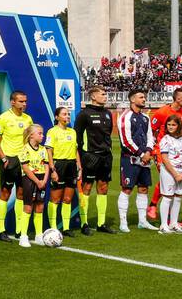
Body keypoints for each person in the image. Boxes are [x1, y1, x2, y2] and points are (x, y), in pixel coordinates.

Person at [0, 90, 32, 241]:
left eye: (25, 101)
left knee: (21, 194)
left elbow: (29, 141)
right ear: (12, 102)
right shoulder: (3, 118)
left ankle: (20, 230)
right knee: (5, 194)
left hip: (24, 161)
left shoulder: (28, 119)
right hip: (10, 161)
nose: (24, 104)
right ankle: (1, 230)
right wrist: (3, 158)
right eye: (21, 101)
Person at [74, 85, 115, 234]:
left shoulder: (108, 113)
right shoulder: (84, 114)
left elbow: (108, 133)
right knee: (86, 188)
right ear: (93, 96)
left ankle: (101, 223)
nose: (105, 96)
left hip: (106, 156)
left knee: (103, 188)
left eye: (105, 94)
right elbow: (77, 137)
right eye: (102, 94)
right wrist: (80, 158)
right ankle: (84, 223)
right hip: (90, 156)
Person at [149, 87, 182, 223]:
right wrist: (153, 149)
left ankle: (170, 219)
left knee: (173, 184)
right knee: (167, 178)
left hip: (175, 152)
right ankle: (153, 205)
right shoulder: (161, 112)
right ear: (178, 99)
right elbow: (151, 130)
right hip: (161, 151)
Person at [117, 88, 154, 232]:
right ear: (132, 100)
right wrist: (141, 153)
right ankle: (123, 222)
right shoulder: (125, 116)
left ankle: (142, 221)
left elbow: (150, 137)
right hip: (130, 159)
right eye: (141, 97)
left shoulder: (146, 118)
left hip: (144, 158)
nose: (144, 99)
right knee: (127, 189)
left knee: (143, 188)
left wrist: (149, 151)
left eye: (144, 97)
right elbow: (126, 140)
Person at [44, 105, 81, 237]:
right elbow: (48, 151)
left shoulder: (73, 132)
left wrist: (79, 167)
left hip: (71, 166)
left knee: (67, 199)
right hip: (58, 165)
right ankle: (53, 228)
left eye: (68, 114)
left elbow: (76, 151)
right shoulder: (52, 132)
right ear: (57, 117)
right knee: (55, 199)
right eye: (64, 114)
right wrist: (52, 169)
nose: (67, 116)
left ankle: (66, 228)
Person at [16, 124, 48, 247]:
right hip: (30, 179)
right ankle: (23, 236)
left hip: (41, 179)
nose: (42, 136)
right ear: (31, 135)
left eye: (42, 133)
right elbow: (26, 168)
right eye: (39, 133)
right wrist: (37, 181)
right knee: (28, 207)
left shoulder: (43, 149)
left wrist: (44, 180)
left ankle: (39, 235)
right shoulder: (25, 149)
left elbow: (46, 165)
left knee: (40, 206)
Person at [156, 115, 182, 234]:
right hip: (169, 172)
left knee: (178, 197)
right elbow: (164, 158)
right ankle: (164, 225)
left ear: (178, 126)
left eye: (173, 125)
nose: (171, 127)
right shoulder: (165, 139)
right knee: (167, 197)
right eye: (169, 124)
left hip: (181, 171)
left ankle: (174, 223)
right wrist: (175, 174)